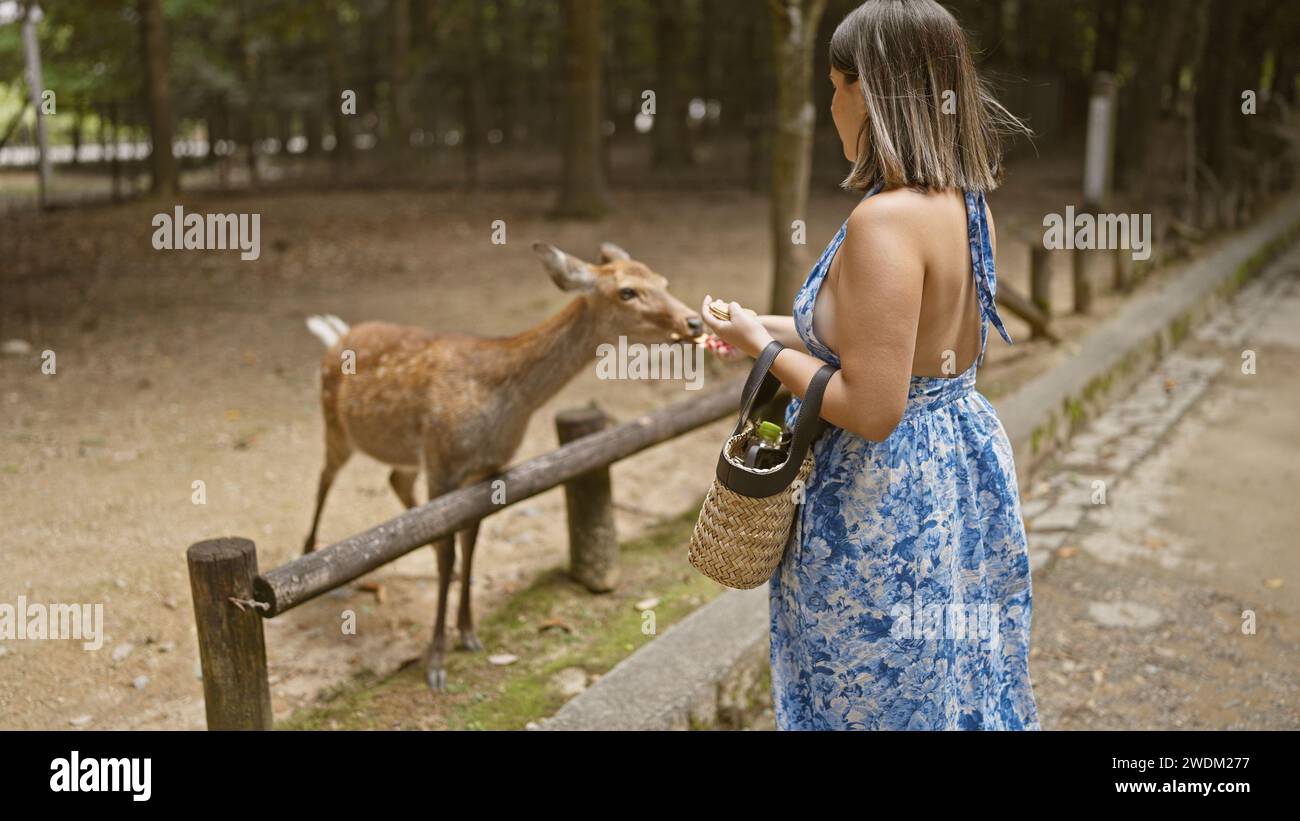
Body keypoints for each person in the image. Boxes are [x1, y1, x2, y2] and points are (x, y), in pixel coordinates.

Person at [700, 0, 1040, 730]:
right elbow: (897, 346)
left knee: (870, 700)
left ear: (872, 92)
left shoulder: (883, 223)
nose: (830, 104)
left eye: (834, 84)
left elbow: (874, 405)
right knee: (947, 691)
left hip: (881, 506)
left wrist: (764, 352)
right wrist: (751, 325)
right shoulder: (961, 199)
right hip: (955, 478)